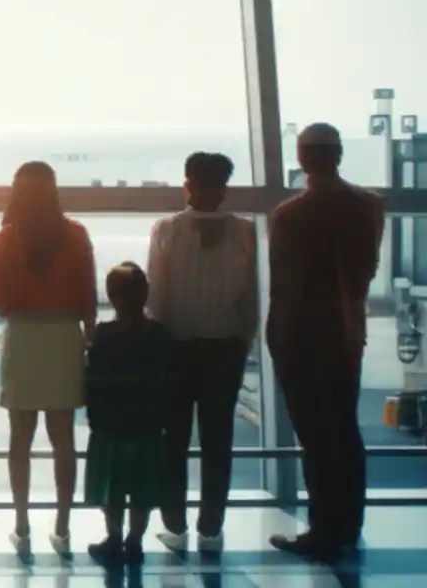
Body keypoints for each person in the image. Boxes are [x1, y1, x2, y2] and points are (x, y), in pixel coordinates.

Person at [267, 123, 384, 561]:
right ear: (338, 154)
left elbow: (285, 285)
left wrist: (275, 336)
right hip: (349, 332)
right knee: (345, 430)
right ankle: (349, 524)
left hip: (302, 335)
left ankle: (322, 530)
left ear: (301, 158)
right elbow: (365, 271)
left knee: (315, 436)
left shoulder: (290, 215)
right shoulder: (370, 206)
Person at [148, 152, 258, 554]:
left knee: (172, 440)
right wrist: (242, 341)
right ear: (224, 188)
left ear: (187, 186)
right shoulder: (245, 233)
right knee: (218, 440)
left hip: (177, 349)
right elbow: (251, 301)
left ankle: (174, 525)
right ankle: (211, 529)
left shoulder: (166, 230)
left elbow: (156, 298)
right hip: (224, 349)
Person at [0, 160, 96, 557]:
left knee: (20, 439)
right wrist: (88, 333)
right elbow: (87, 292)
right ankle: (63, 526)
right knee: (63, 438)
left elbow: (0, 303)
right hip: (63, 337)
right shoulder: (76, 235)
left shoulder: (4, 240)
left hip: (24, 337)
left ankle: (21, 523)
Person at [84, 263, 172, 565]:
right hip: (147, 426)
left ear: (111, 296)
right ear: (145, 295)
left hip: (110, 426)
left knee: (113, 488)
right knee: (141, 490)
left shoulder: (104, 335)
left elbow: (92, 381)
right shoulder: (159, 335)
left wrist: (95, 417)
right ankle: (135, 540)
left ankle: (113, 538)